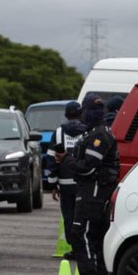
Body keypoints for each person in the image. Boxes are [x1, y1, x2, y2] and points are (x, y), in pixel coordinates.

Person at [68, 93, 120, 275]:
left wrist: (67, 160)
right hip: (95, 190)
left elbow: (89, 167)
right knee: (96, 235)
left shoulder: (99, 135)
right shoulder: (97, 132)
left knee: (81, 232)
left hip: (93, 191)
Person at [51, 101, 85, 258]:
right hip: (82, 183)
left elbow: (52, 159)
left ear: (66, 115)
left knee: (69, 216)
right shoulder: (87, 132)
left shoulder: (58, 133)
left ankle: (74, 248)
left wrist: (53, 184)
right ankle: (83, 248)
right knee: (82, 216)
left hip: (65, 185)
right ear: (81, 114)